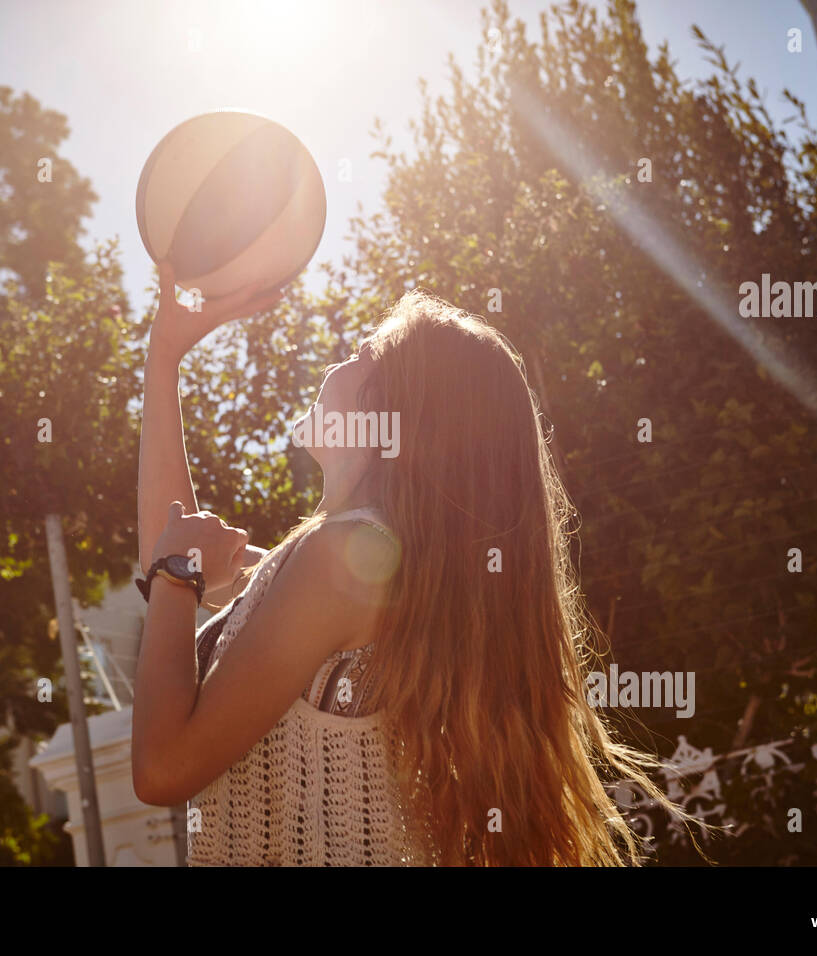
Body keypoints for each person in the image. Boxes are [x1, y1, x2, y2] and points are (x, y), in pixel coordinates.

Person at [132, 264, 698, 865]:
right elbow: (170, 548)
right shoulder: (350, 561)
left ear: (399, 410)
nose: (339, 359)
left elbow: (163, 769)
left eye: (364, 351)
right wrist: (164, 357)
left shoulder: (342, 563)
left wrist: (178, 574)